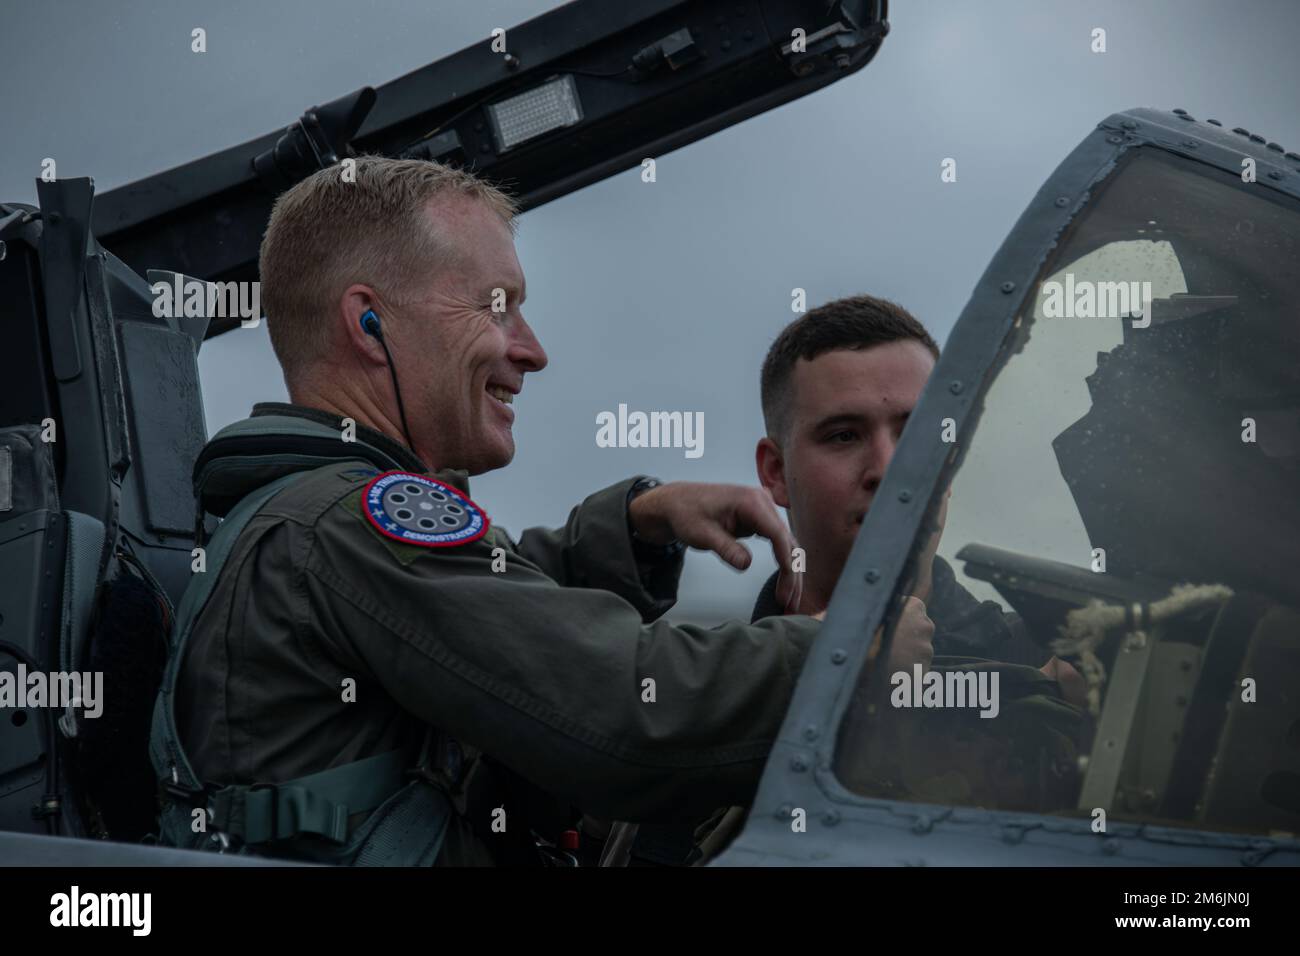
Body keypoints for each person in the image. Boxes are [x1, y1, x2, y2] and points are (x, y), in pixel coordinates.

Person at [150, 157, 823, 866]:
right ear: (367, 322)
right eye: (496, 306)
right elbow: (625, 714)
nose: (531, 351)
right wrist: (847, 654)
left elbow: (475, 610)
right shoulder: (351, 523)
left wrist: (632, 527)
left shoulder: (311, 516)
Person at [753, 295, 1084, 695]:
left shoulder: (1069, 670)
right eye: (844, 436)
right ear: (776, 472)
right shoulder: (703, 697)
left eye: (915, 433)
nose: (888, 468)